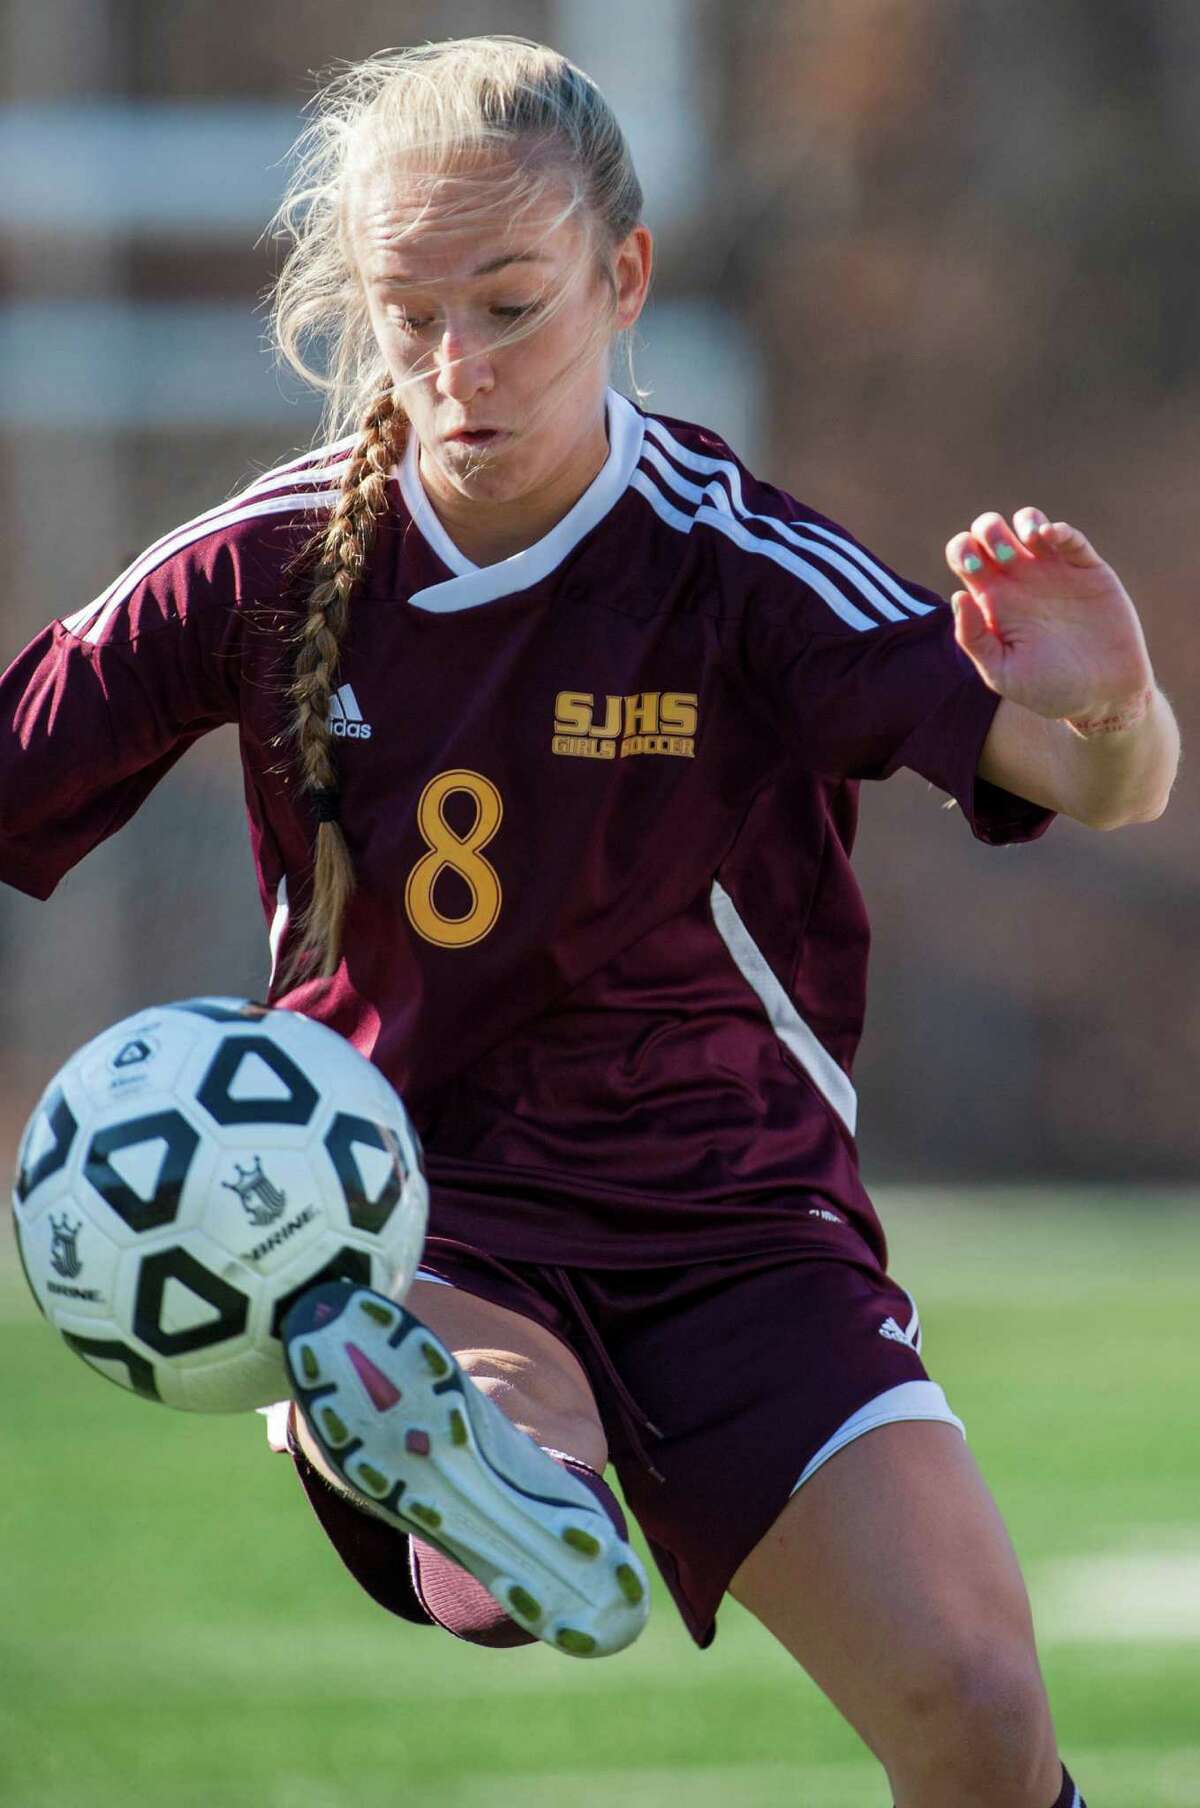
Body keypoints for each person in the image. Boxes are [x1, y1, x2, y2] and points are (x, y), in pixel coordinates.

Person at [0, 34, 1178, 1808]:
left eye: (510, 304)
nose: (457, 366)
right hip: (404, 1202)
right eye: (412, 318)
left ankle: (486, 1476)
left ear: (624, 279)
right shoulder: (262, 563)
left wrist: (1116, 705)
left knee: (980, 1709)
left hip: (739, 1223)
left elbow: (1108, 792)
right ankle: (464, 1465)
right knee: (490, 1400)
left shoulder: (731, 562)